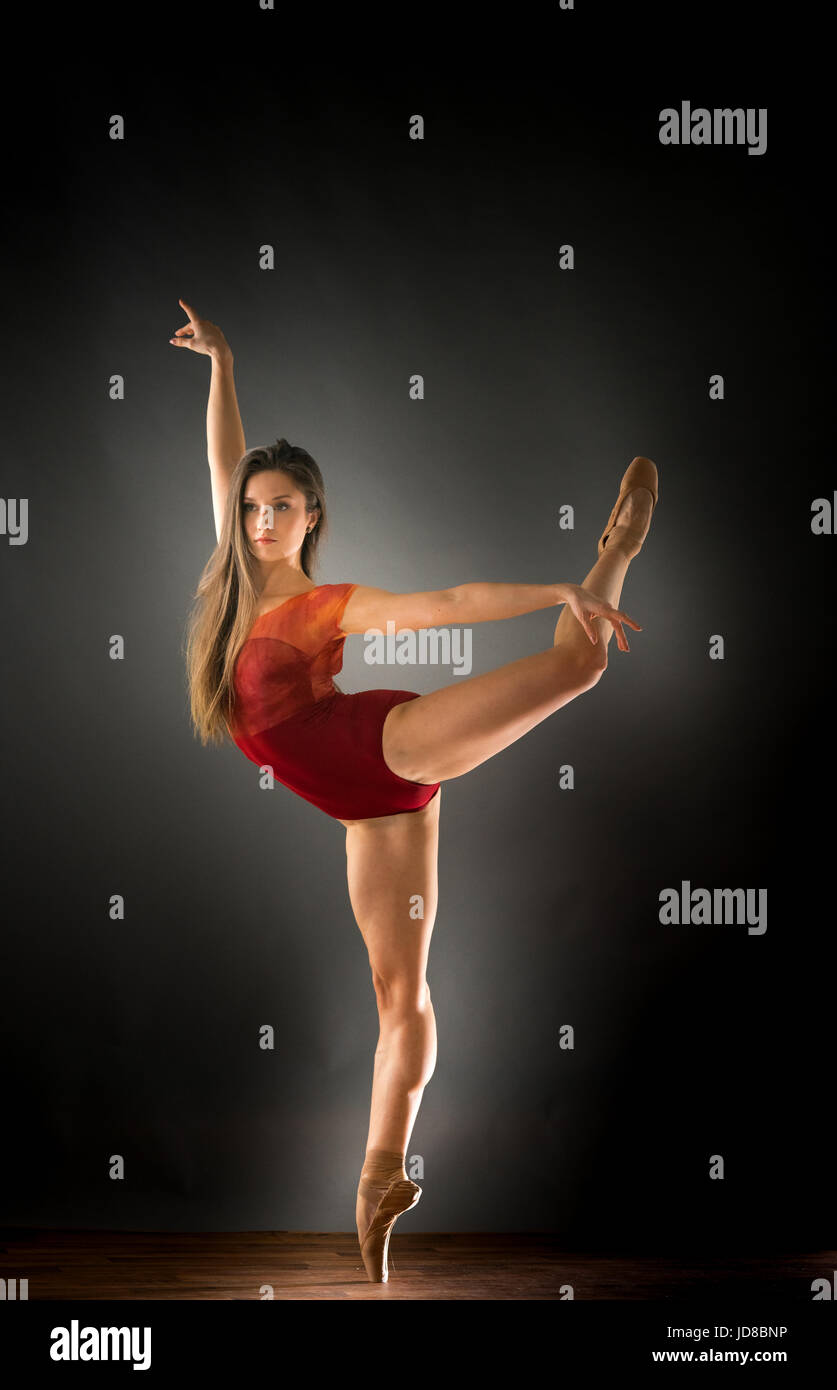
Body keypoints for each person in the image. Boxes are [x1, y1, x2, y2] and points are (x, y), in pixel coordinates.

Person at [173, 299, 659, 1282]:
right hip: (370, 806)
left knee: (579, 664)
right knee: (400, 995)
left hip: (388, 745)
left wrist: (550, 589)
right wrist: (222, 359)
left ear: (313, 516)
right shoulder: (231, 571)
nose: (263, 519)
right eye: (255, 506)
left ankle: (609, 554)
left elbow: (443, 606)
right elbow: (224, 458)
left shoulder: (319, 607)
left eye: (283, 508)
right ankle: (381, 1174)